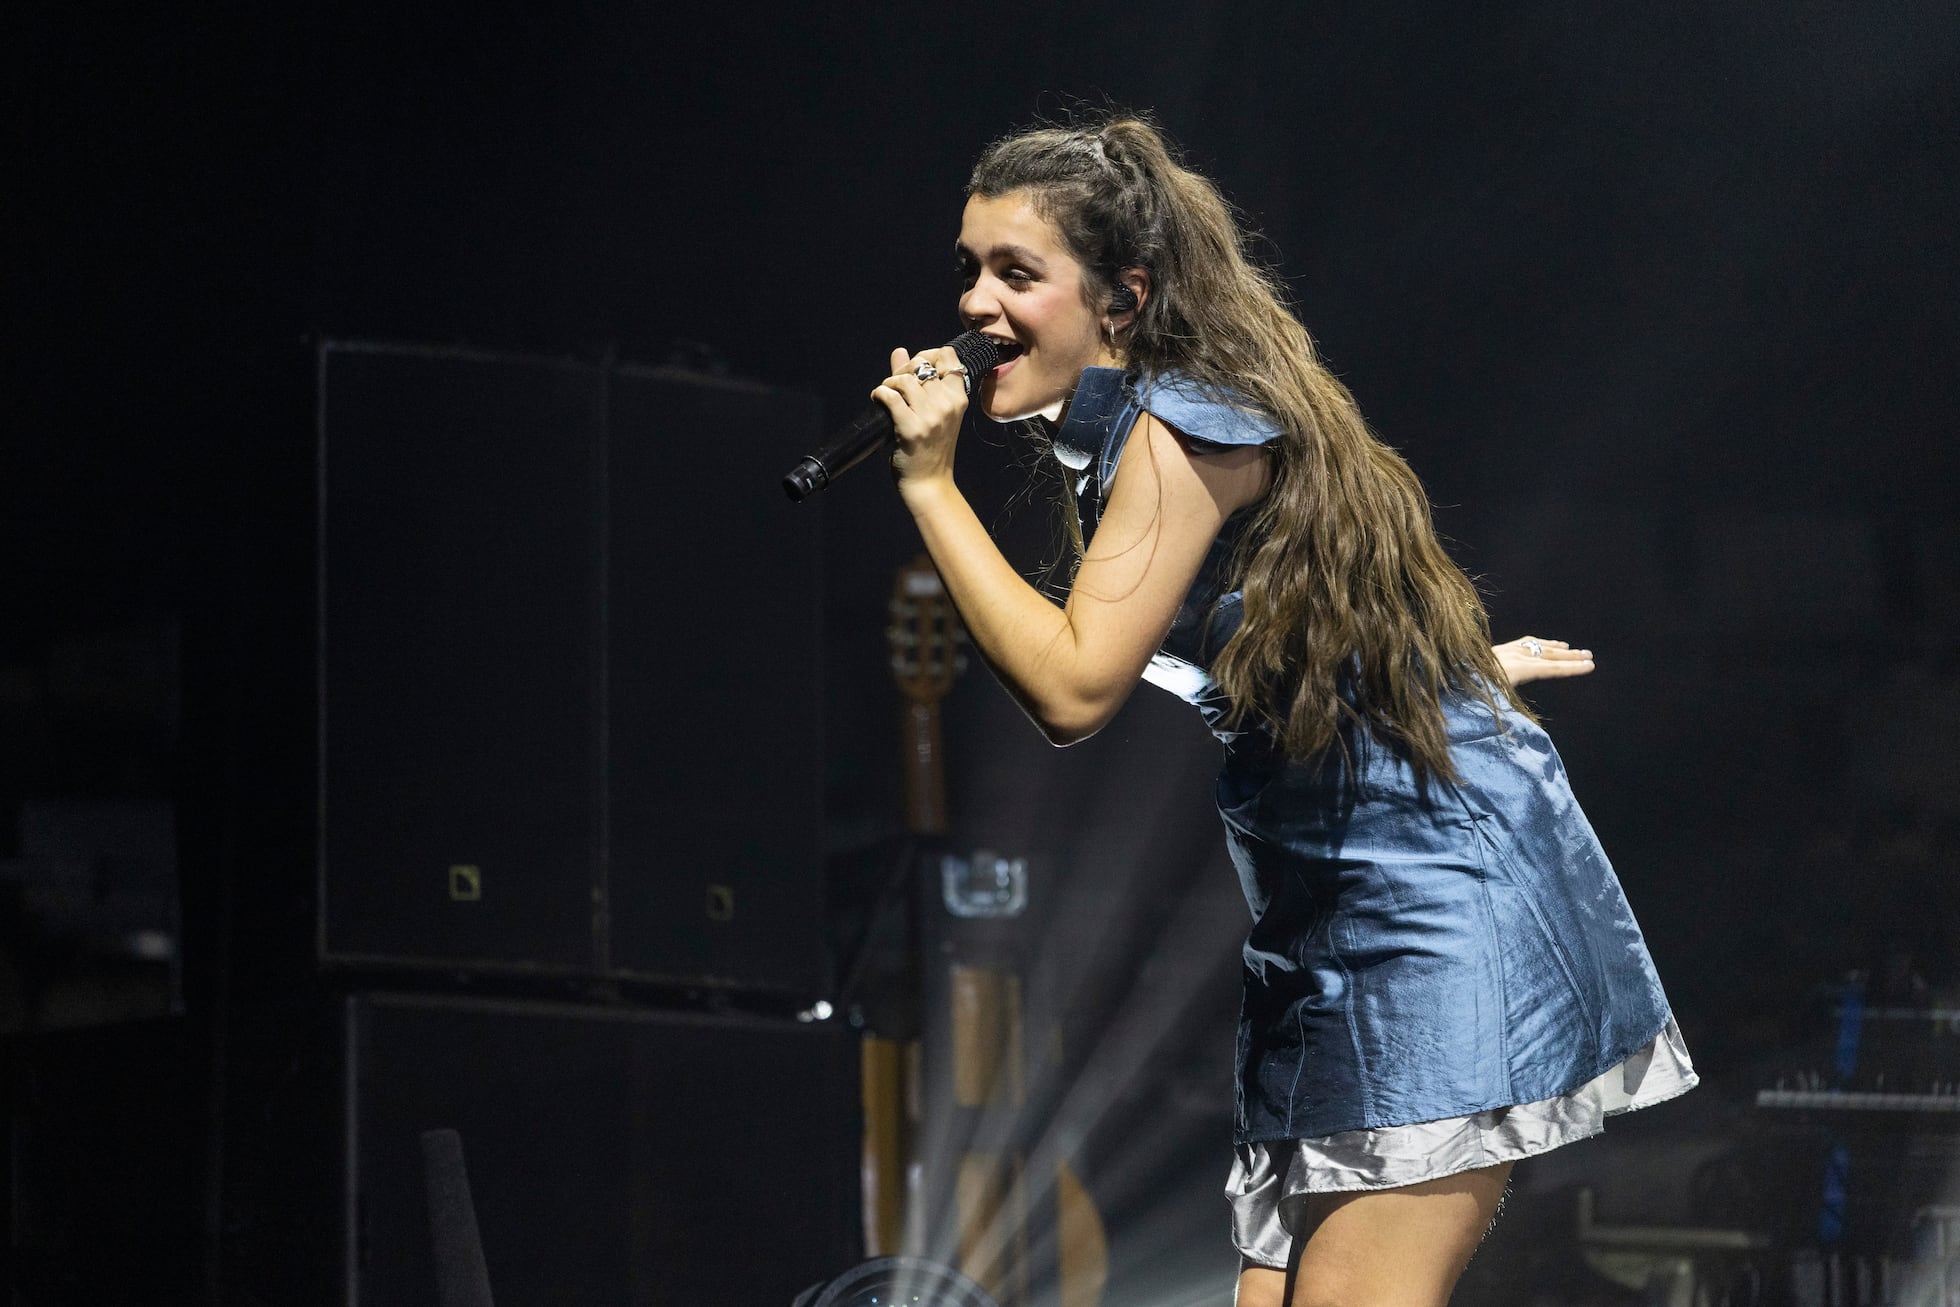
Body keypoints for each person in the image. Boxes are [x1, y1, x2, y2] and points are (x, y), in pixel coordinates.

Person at [869, 116, 1693, 1307]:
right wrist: (1430, 672)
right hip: (1318, 919)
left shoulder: (1185, 424)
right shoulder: (1131, 441)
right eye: (968, 268)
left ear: (1124, 298)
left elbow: (1072, 685)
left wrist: (930, 487)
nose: (976, 305)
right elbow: (1280, 622)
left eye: (1015, 272)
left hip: (1422, 903)